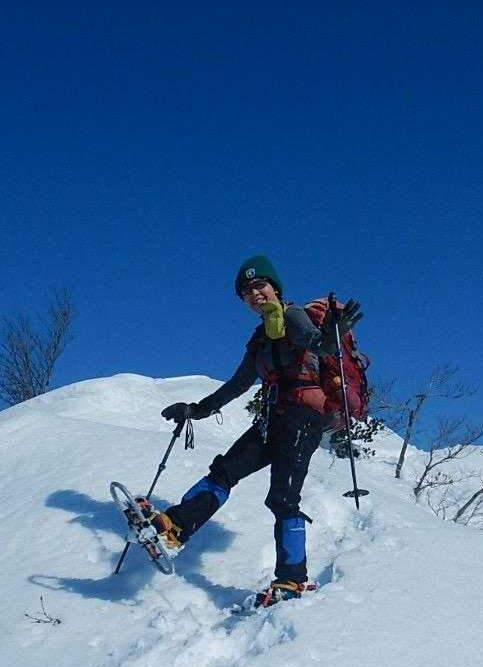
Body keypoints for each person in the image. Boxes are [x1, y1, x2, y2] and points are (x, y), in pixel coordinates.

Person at [142, 254, 363, 606]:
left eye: (259, 285)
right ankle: (175, 527)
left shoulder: (293, 316)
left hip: (304, 417)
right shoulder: (260, 339)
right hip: (272, 418)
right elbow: (239, 383)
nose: (253, 293)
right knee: (225, 472)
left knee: (282, 498)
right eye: (245, 291)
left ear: (274, 287)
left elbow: (317, 344)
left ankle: (292, 581)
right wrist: (196, 410)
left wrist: (334, 334)